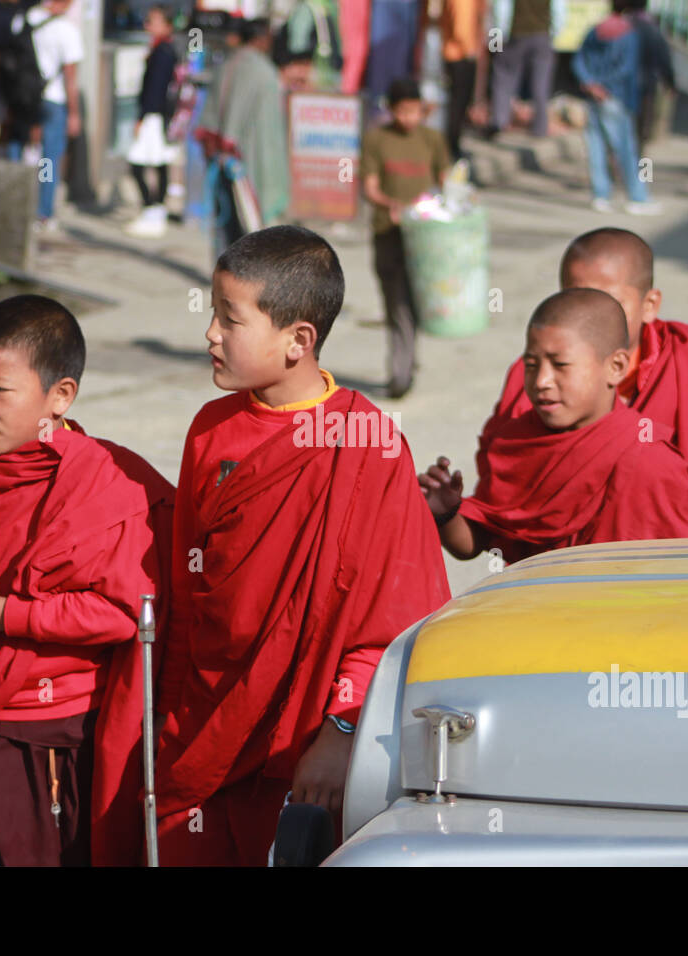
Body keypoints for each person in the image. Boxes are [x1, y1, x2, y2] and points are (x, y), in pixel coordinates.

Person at [154, 225, 451, 866]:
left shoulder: (366, 445)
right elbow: (189, 585)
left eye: (230, 319)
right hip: (207, 717)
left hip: (307, 737)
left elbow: (395, 612)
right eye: (212, 313)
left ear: (298, 340)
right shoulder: (210, 430)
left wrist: (342, 732)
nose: (210, 333)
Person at [0, 294, 174, 866]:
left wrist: (0, 614)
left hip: (51, 732)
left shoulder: (106, 484)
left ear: (60, 396)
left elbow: (122, 613)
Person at [481, 227, 688, 537]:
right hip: (567, 575)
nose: (595, 312)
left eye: (610, 299)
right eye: (576, 296)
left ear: (649, 304)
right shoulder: (536, 377)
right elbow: (503, 484)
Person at [421, 289, 688, 562]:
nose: (541, 381)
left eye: (560, 365)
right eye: (531, 365)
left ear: (616, 367)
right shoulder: (520, 441)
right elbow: (479, 543)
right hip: (537, 620)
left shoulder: (648, 462)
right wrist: (446, 514)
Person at [361, 78, 451, 399]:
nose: (409, 119)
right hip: (389, 233)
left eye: (415, 111)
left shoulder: (432, 139)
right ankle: (401, 369)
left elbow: (447, 180)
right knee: (396, 303)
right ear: (391, 110)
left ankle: (406, 363)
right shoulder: (376, 140)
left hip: (426, 240)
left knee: (416, 302)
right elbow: (370, 187)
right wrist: (392, 206)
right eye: (403, 111)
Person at [198, 17, 291, 233]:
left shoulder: (226, 65)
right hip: (248, 158)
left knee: (228, 220)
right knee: (252, 223)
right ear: (261, 39)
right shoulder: (263, 71)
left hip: (222, 155)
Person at [3, 0, 83, 230]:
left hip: (22, 97)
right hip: (52, 99)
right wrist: (74, 113)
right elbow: (71, 78)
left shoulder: (23, 20)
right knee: (48, 158)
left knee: (17, 145)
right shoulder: (67, 30)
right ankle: (43, 211)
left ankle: (13, 200)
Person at [573, 0, 657, 214]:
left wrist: (591, 83)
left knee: (596, 147)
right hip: (616, 97)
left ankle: (601, 195)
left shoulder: (594, 30)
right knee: (625, 149)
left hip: (594, 97)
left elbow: (579, 60)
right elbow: (626, 68)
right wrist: (605, 87)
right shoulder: (628, 34)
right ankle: (637, 197)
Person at [125, 5, 179, 238]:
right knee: (158, 164)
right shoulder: (161, 49)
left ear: (167, 26)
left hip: (155, 116)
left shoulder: (163, 52)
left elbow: (155, 90)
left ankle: (153, 210)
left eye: (154, 21)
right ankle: (155, 210)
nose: (149, 25)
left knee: (140, 164)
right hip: (159, 115)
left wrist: (142, 117)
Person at [488, 0, 560, 138]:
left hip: (514, 34)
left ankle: (499, 121)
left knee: (503, 76)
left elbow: (500, 12)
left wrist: (495, 44)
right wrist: (553, 35)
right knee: (541, 83)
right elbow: (559, 12)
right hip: (543, 34)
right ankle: (540, 127)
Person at [431, 0, 486, 160]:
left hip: (457, 51)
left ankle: (453, 146)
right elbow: (461, 25)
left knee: (457, 104)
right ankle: (451, 147)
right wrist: (470, 50)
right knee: (457, 105)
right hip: (459, 54)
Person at [626, 0, 674, 150]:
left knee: (624, 127)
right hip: (646, 85)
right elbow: (664, 58)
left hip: (623, 85)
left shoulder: (623, 26)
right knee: (641, 130)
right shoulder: (653, 28)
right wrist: (670, 82)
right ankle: (638, 166)